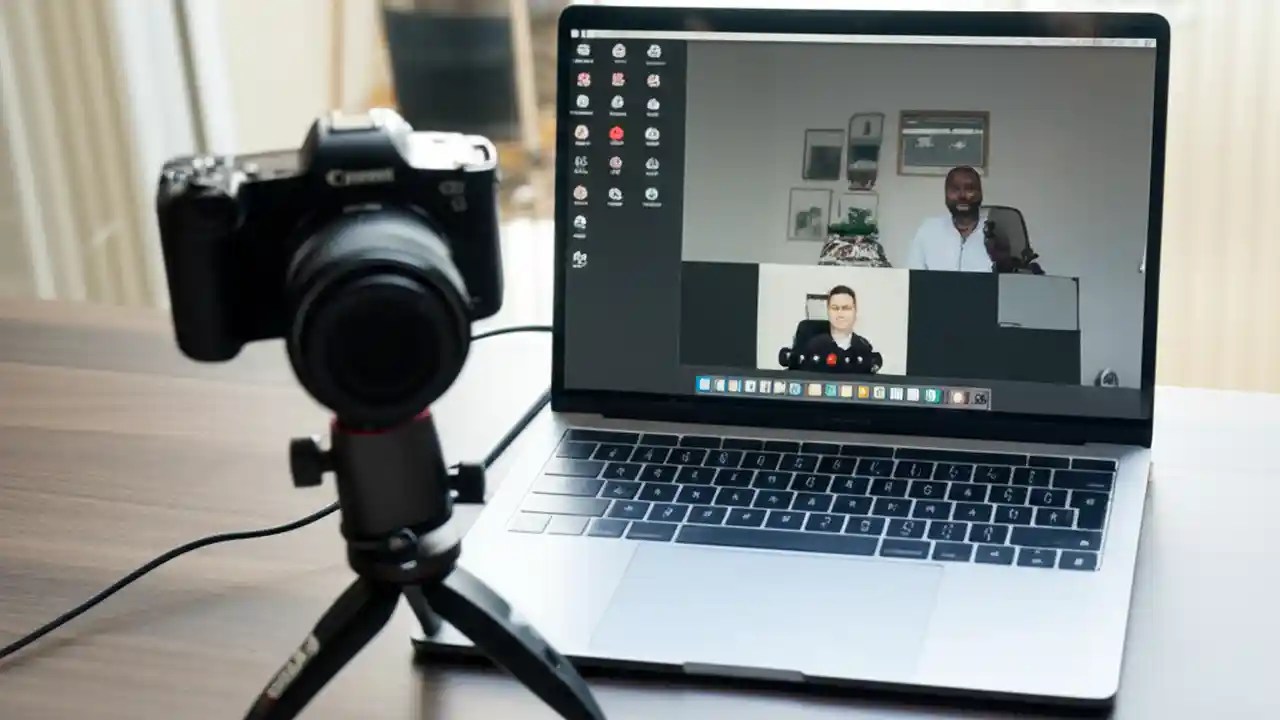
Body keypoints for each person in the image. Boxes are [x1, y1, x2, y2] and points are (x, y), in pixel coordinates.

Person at [906, 165, 1018, 272]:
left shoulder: (997, 230)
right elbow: (914, 278)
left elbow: (1011, 279)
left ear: (980, 194)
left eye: (969, 189)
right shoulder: (928, 230)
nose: (962, 195)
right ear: (946, 194)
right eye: (955, 189)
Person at [799, 285, 882, 374]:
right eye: (835, 308)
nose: (840, 314)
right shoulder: (812, 347)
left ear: (855, 311)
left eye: (846, 308)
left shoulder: (864, 348)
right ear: (828, 311)